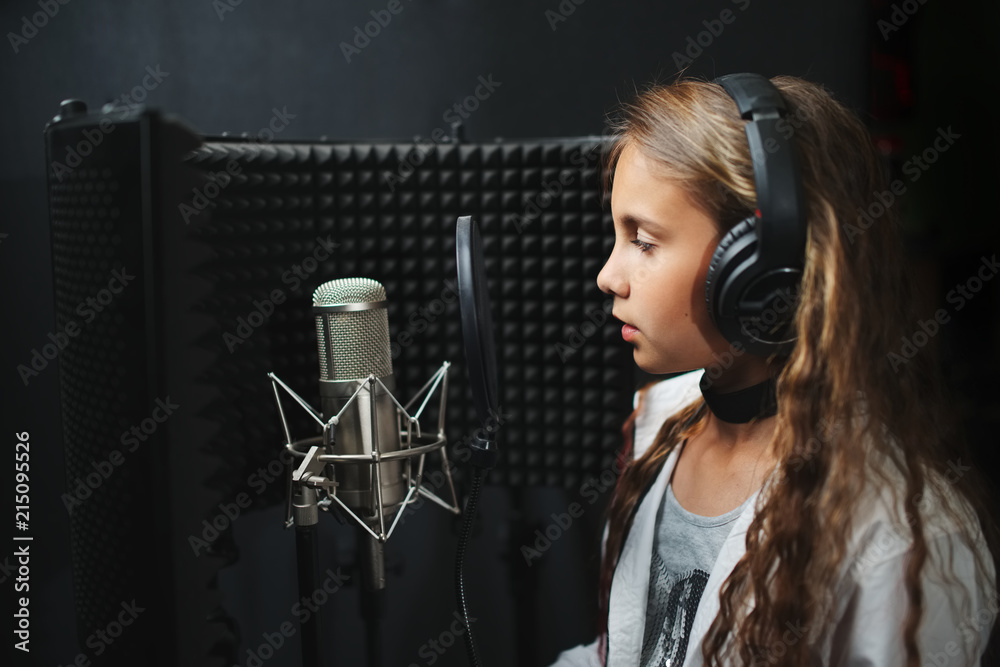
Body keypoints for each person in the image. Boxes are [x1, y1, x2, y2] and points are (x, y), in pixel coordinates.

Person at [549, 73, 1000, 667]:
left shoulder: (903, 539)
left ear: (760, 270)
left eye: (645, 241)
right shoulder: (659, 423)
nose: (609, 276)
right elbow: (630, 650)